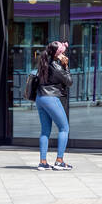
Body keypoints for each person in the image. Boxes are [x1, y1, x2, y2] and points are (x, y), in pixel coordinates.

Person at [34, 40, 72, 171]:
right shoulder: (56, 66)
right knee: (64, 128)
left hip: (40, 97)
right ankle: (59, 161)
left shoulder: (44, 62)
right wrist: (65, 66)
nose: (64, 53)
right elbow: (69, 81)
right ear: (58, 54)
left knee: (45, 131)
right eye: (62, 52)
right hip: (51, 98)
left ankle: (43, 162)